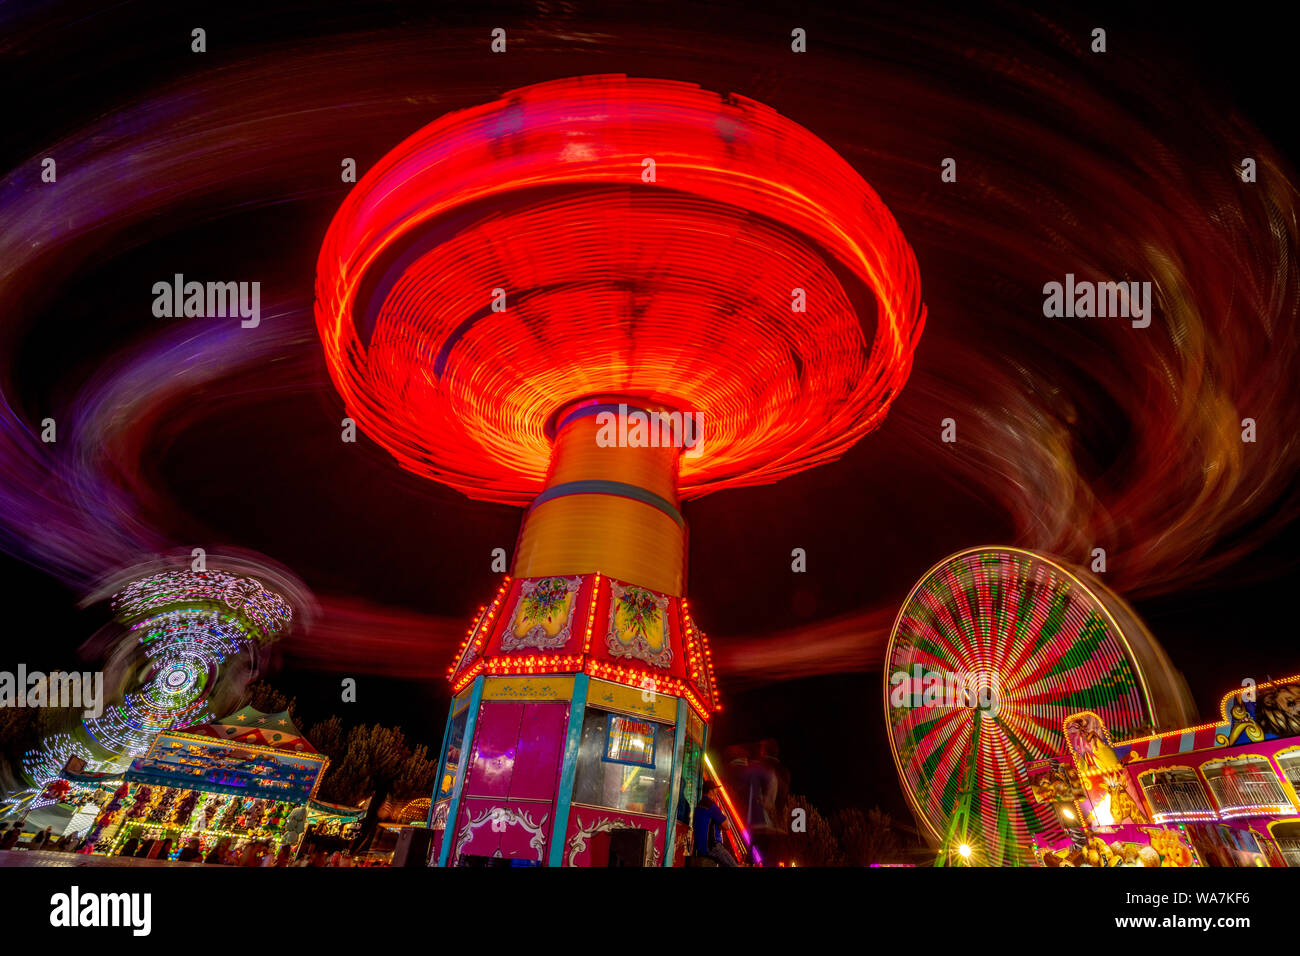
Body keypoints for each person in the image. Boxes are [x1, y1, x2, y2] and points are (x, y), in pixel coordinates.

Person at [693, 781, 738, 866]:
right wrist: (723, 818)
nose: (717, 791)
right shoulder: (711, 805)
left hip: (699, 848)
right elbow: (726, 826)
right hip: (712, 847)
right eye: (715, 789)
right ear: (710, 791)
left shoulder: (699, 805)